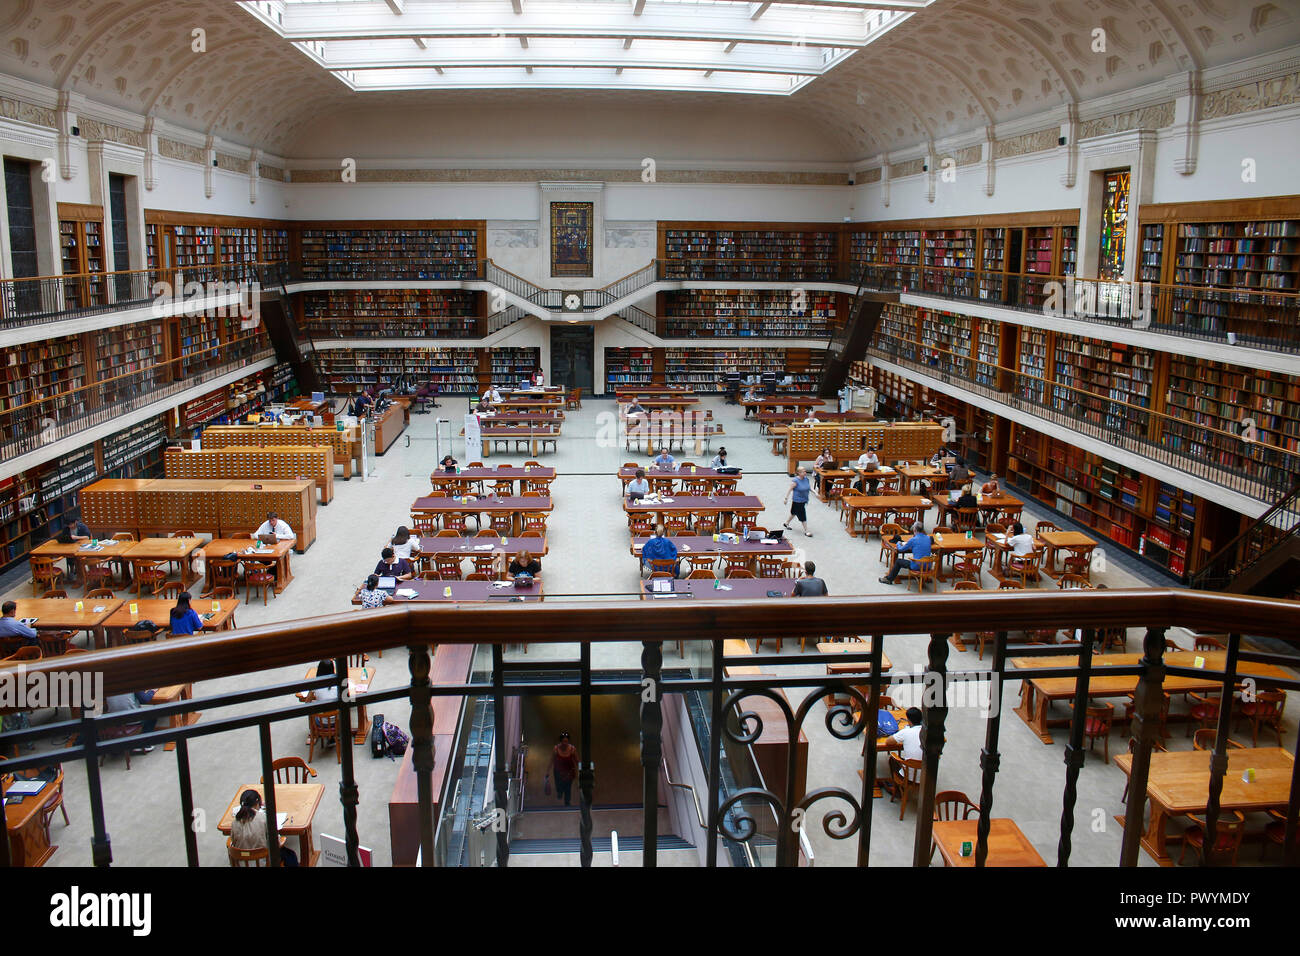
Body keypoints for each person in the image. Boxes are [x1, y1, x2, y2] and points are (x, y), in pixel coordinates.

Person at [230, 789, 300, 866]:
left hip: (241, 862)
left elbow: (233, 841)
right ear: (257, 803)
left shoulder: (235, 822)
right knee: (290, 855)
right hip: (263, 861)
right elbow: (276, 843)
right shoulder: (263, 818)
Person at [548, 732, 579, 807]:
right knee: (559, 785)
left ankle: (567, 802)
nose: (565, 743)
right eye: (563, 741)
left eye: (566, 741)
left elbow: (577, 760)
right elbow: (552, 760)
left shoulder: (572, 749)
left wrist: (581, 769)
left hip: (569, 771)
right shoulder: (556, 749)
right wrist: (547, 771)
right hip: (558, 771)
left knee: (568, 787)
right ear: (560, 741)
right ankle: (560, 792)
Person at [783, 465, 814, 537]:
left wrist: (815, 492)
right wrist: (786, 498)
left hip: (804, 500)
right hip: (797, 501)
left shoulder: (806, 479)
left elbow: (809, 487)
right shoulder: (795, 481)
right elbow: (790, 489)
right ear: (799, 473)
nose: (805, 472)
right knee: (802, 515)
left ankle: (786, 523)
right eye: (803, 471)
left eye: (805, 471)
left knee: (794, 512)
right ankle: (806, 531)